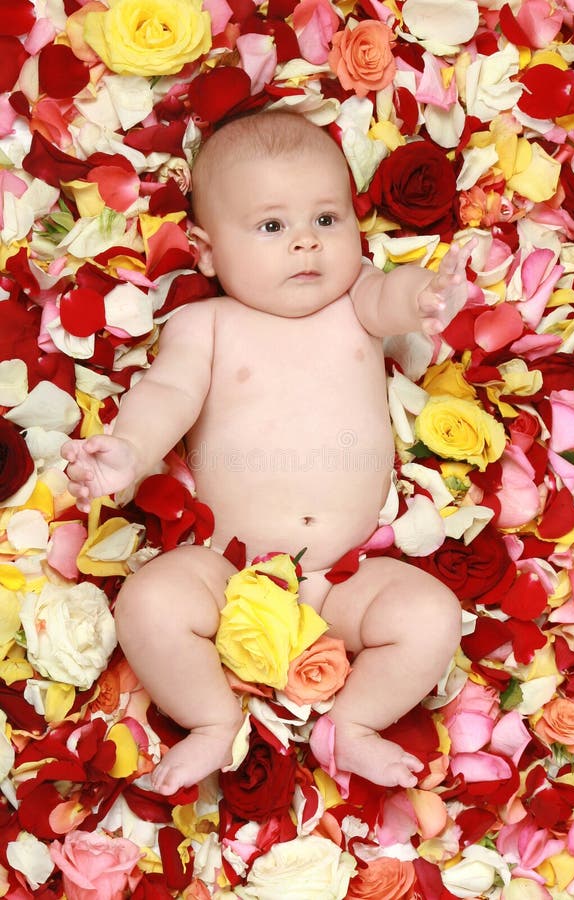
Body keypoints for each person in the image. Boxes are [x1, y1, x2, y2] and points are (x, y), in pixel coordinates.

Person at [62, 110, 472, 796]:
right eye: (273, 226)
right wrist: (129, 450)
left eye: (327, 220)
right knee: (150, 602)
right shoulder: (206, 325)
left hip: (346, 578)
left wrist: (427, 296)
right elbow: (168, 392)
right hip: (233, 573)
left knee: (432, 617)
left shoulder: (354, 304)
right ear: (206, 250)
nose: (306, 245)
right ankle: (211, 721)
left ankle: (356, 725)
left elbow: (391, 296)